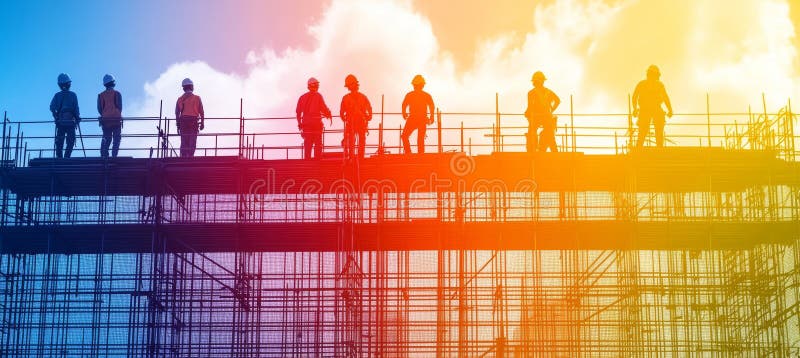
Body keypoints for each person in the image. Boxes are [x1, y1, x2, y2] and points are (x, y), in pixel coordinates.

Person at [632, 65, 673, 148]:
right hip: (645, 110)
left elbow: (665, 97)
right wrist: (635, 108)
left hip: (655, 109)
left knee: (658, 130)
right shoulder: (642, 84)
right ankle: (639, 149)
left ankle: (659, 149)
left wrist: (670, 109)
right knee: (643, 131)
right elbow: (634, 97)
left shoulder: (659, 85)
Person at [296, 77, 333, 159]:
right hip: (316, 124)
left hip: (306, 125)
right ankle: (317, 160)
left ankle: (307, 160)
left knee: (308, 143)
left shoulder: (302, 97)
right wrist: (328, 114)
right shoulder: (318, 96)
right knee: (318, 143)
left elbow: (298, 113)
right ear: (314, 85)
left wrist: (300, 124)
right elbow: (323, 108)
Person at [524, 71, 560, 152]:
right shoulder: (548, 92)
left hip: (536, 117)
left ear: (535, 81)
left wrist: (526, 113)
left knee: (532, 133)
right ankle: (554, 152)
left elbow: (529, 107)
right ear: (543, 81)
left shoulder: (531, 93)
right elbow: (557, 101)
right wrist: (552, 110)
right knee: (550, 135)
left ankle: (533, 150)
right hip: (546, 117)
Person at [339, 74, 372, 160]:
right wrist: (369, 116)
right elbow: (342, 111)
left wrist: (343, 117)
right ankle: (355, 157)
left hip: (357, 122)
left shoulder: (349, 98)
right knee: (354, 140)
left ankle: (356, 157)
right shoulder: (350, 98)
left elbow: (342, 112)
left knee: (357, 140)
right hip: (354, 122)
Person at [400, 74, 435, 154]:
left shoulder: (410, 95)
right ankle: (420, 156)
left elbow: (404, 104)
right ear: (422, 85)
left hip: (414, 118)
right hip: (421, 119)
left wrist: (404, 113)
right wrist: (432, 117)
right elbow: (431, 106)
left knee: (405, 136)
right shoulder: (426, 95)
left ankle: (409, 154)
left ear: (414, 85)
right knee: (420, 139)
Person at [49, 73, 81, 158]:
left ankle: (59, 158)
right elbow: (76, 108)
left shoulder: (57, 95)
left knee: (59, 141)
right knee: (70, 141)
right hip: (71, 122)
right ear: (68, 83)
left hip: (61, 122)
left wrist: (55, 117)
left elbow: (52, 107)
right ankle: (67, 157)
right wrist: (78, 118)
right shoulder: (73, 95)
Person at [175, 78, 205, 157]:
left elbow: (177, 113)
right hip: (193, 121)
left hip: (183, 121)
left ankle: (184, 156)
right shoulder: (197, 98)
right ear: (191, 87)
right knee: (192, 140)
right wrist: (202, 123)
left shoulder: (180, 99)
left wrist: (178, 125)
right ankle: (190, 156)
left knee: (184, 140)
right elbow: (201, 111)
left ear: (184, 88)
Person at [97, 74, 123, 158]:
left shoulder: (100, 95)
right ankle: (114, 156)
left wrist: (105, 114)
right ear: (113, 82)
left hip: (105, 121)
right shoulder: (117, 93)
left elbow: (99, 109)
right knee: (116, 140)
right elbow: (120, 107)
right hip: (116, 120)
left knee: (106, 138)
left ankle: (104, 156)